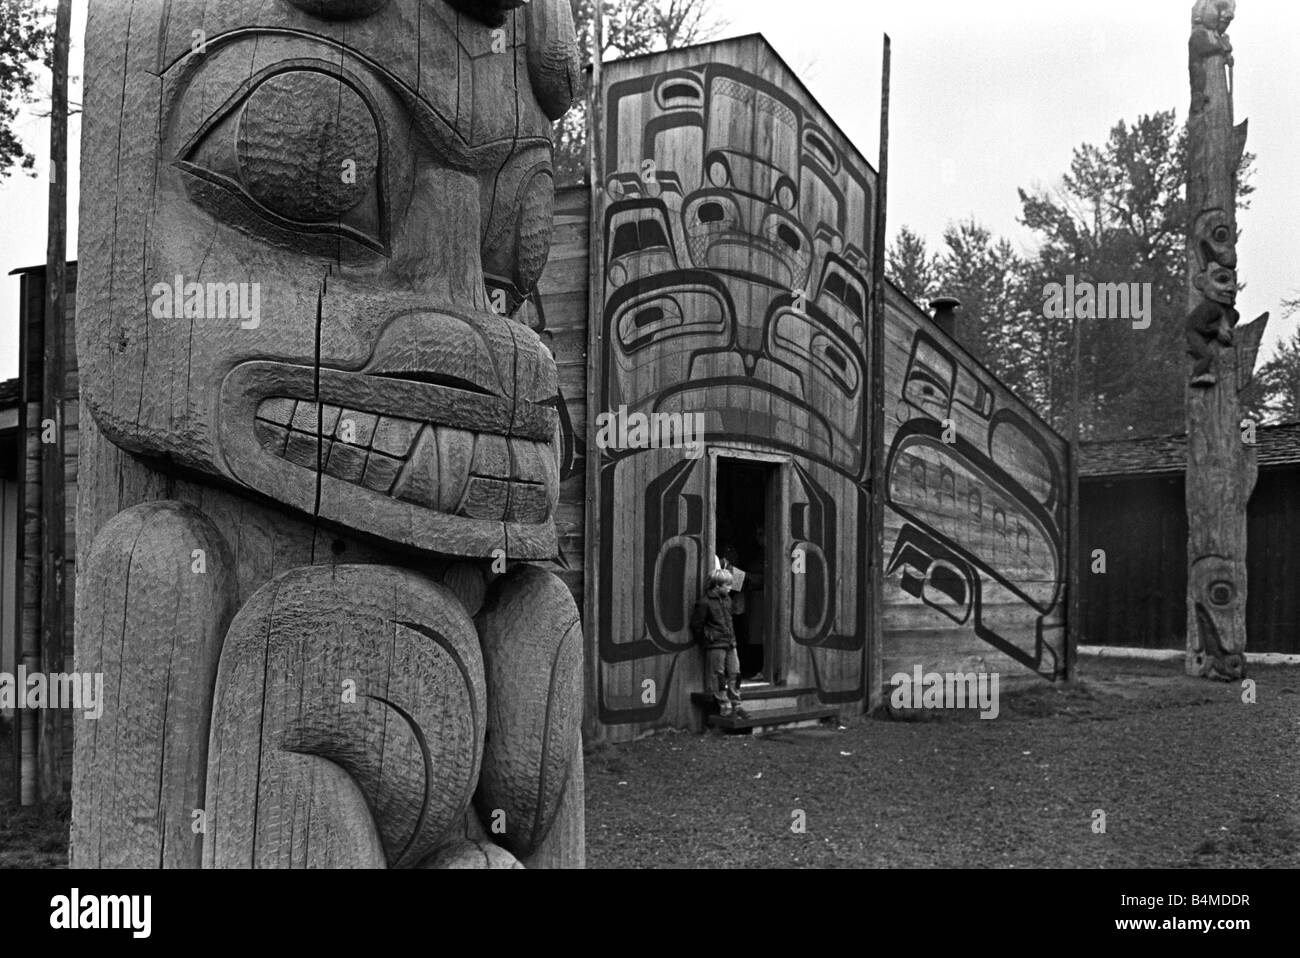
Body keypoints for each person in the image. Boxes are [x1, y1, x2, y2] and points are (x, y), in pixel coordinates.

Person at [690, 569, 747, 718]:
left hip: (730, 642)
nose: (730, 588)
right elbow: (696, 625)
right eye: (727, 585)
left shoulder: (727, 600)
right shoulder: (704, 602)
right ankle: (724, 705)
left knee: (735, 673)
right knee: (718, 676)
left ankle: (736, 705)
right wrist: (708, 638)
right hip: (715, 644)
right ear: (717, 586)